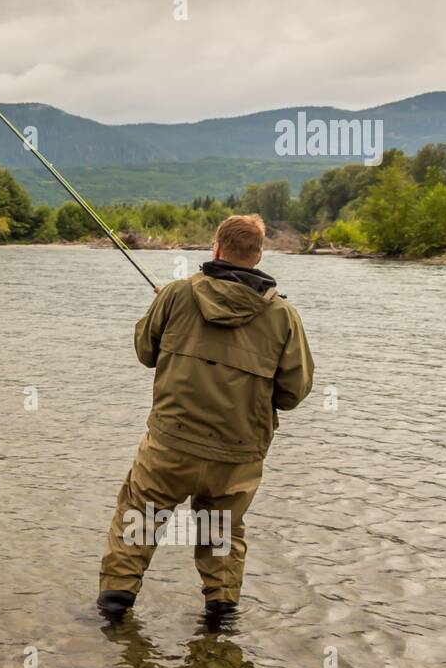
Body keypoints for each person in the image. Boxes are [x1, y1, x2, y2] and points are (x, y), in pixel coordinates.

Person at [97, 213, 313, 619]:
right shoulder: (284, 317)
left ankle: (113, 612)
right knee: (221, 532)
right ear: (259, 254)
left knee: (139, 518)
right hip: (237, 455)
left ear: (217, 248)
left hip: (170, 447)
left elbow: (145, 352)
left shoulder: (177, 295)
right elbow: (292, 394)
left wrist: (166, 304)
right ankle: (221, 620)